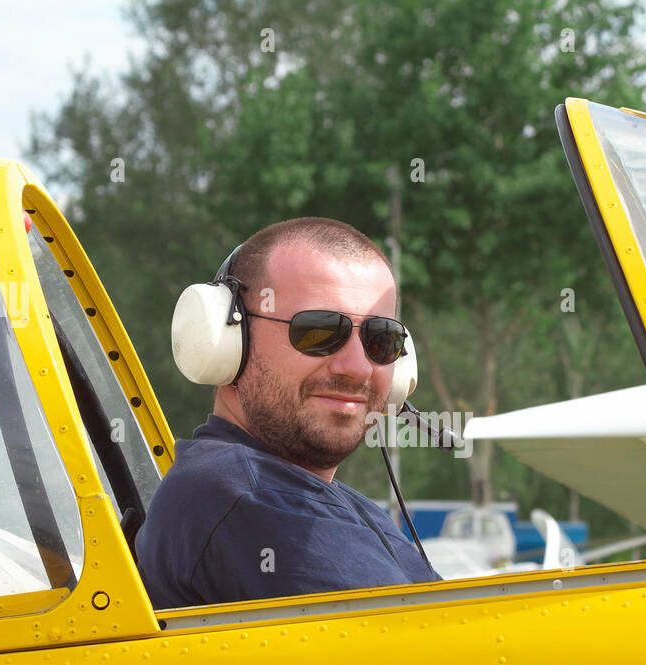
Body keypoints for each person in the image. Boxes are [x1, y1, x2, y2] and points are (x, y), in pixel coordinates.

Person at [137, 217, 440, 608]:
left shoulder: (330, 501)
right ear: (228, 339)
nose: (358, 368)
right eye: (318, 332)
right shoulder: (253, 500)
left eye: (381, 340)